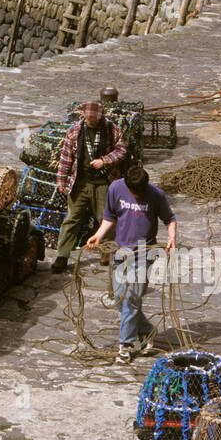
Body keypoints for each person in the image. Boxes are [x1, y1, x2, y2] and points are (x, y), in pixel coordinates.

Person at [86, 165, 177, 364]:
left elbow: (169, 219)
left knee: (131, 299)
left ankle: (124, 346)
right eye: (133, 192)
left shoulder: (156, 195)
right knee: (120, 299)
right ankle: (146, 330)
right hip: (120, 252)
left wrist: (171, 237)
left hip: (144, 254)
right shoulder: (115, 189)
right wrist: (98, 236)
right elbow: (109, 217)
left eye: (140, 192)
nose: (136, 195)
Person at [50, 101, 127, 274]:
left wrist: (104, 161)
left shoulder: (111, 129)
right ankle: (62, 255)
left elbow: (122, 150)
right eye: (89, 118)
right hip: (81, 182)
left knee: (105, 218)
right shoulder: (74, 131)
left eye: (95, 119)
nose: (91, 121)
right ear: (83, 115)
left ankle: (106, 251)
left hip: (103, 183)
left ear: (101, 116)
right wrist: (61, 180)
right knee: (72, 218)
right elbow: (66, 157)